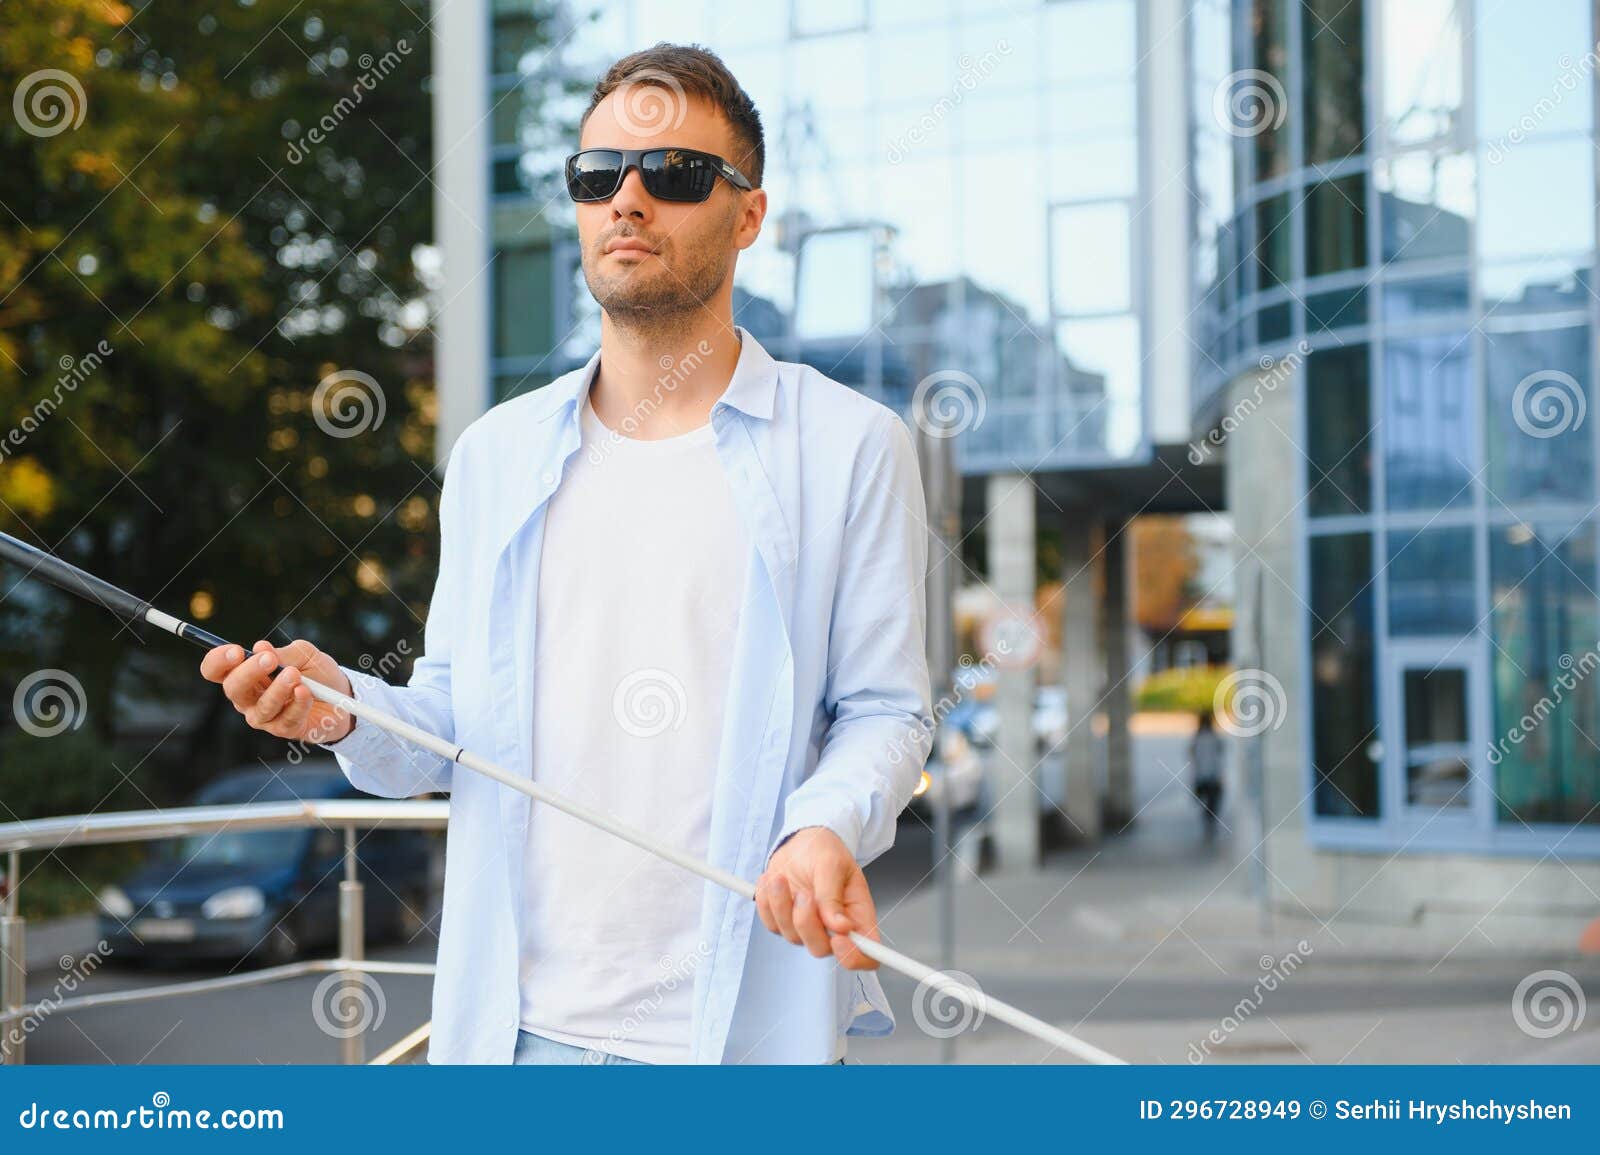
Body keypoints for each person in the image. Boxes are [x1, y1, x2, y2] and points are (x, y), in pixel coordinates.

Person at [199, 43, 934, 1066]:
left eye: (674, 175)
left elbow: (886, 712)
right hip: (518, 1042)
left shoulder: (852, 444)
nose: (627, 200)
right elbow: (455, 726)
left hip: (739, 1038)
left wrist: (823, 828)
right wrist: (343, 708)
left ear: (748, 216)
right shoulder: (497, 451)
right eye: (598, 177)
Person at [1191, 708, 1225, 837]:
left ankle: (1208, 823)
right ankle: (1210, 823)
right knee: (1213, 802)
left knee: (1206, 802)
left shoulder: (1197, 739)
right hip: (1213, 776)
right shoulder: (1214, 738)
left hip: (1202, 776)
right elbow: (1219, 758)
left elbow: (1194, 759)